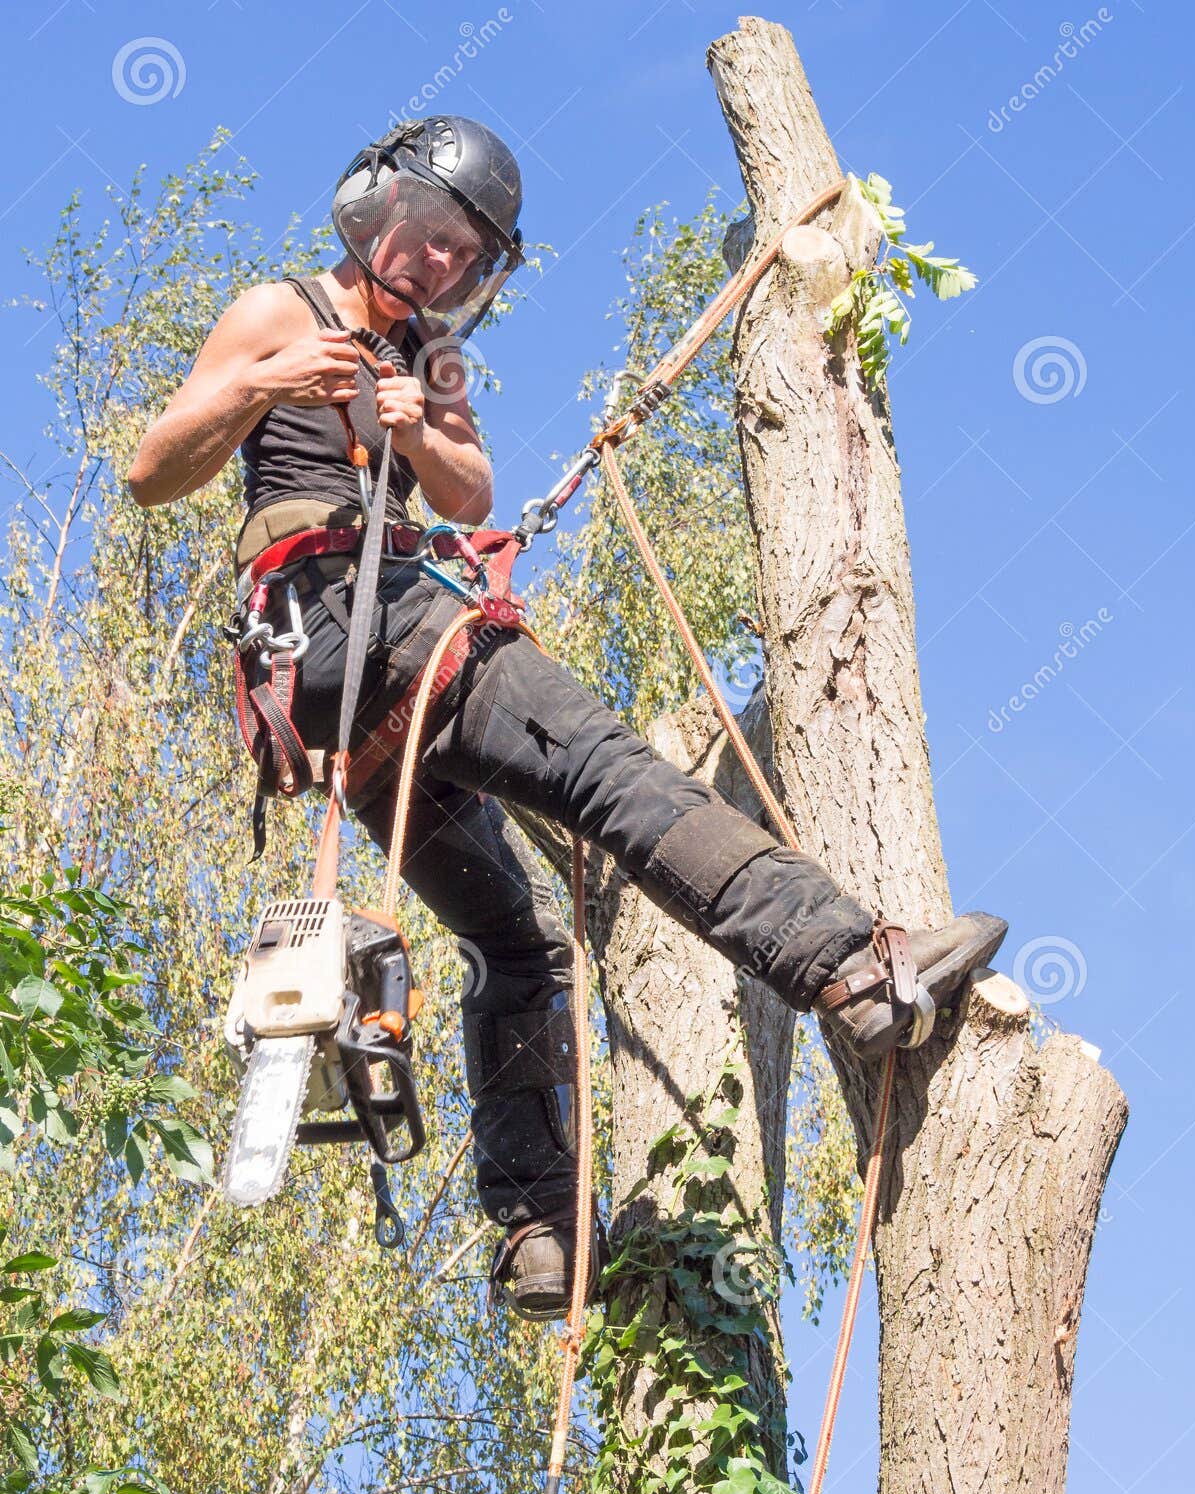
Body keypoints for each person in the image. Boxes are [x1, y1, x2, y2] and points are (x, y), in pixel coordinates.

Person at [128, 115, 1006, 1321]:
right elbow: (152, 470)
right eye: (432, 235)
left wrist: (413, 424)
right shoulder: (279, 310)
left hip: (370, 699)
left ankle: (539, 1229)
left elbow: (471, 488)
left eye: (466, 254)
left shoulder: (433, 358)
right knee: (606, 769)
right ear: (381, 212)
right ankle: (849, 965)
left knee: (518, 939)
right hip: (339, 620)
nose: (442, 263)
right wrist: (265, 385)